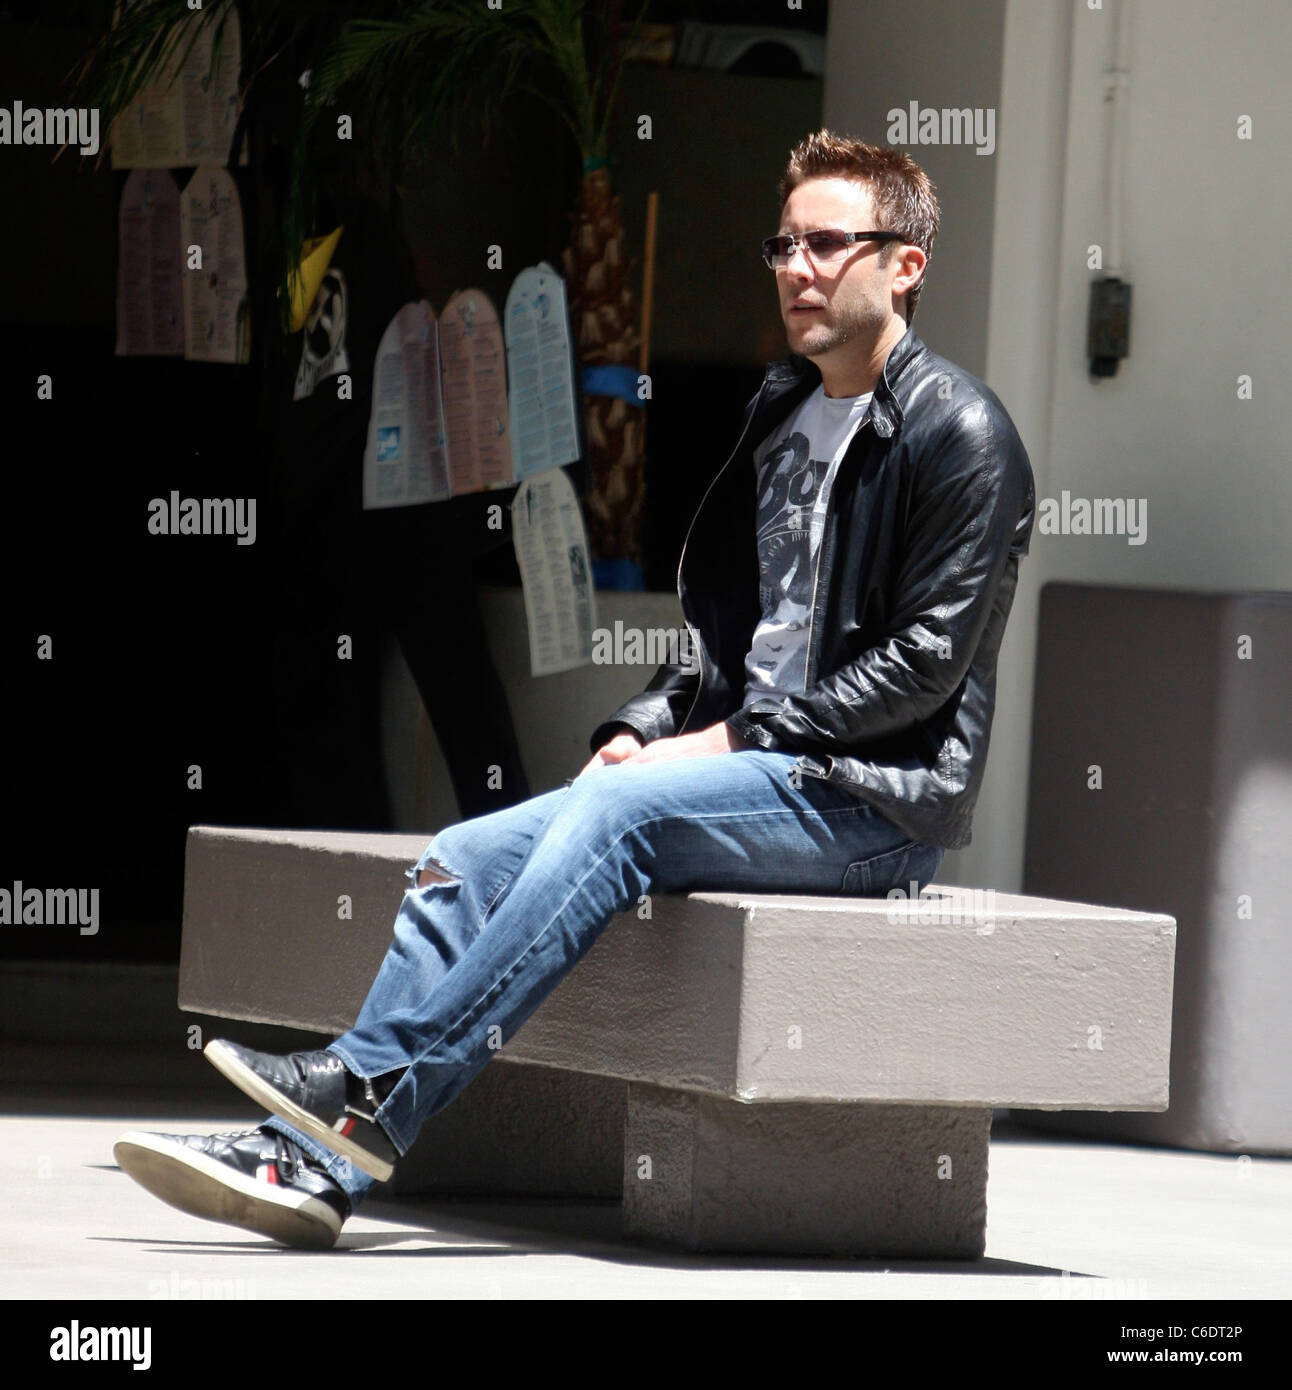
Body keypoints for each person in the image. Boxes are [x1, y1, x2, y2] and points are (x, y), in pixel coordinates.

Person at [114, 129, 1035, 1250]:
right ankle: (313, 1170)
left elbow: (921, 666)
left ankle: (351, 1089)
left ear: (904, 264)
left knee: (622, 814)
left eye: (829, 244)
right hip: (751, 769)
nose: (796, 267)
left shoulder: (962, 433)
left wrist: (723, 740)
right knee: (461, 854)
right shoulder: (782, 410)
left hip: (868, 801)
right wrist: (644, 724)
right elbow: (724, 630)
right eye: (783, 243)